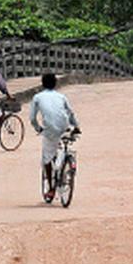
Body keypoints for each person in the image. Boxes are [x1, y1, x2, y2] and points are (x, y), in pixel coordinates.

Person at [29, 73, 80, 202]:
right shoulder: (61, 96)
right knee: (63, 142)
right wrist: (76, 126)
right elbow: (70, 113)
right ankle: (64, 165)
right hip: (65, 126)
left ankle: (51, 188)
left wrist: (38, 128)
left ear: (42, 83)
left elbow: (32, 118)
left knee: (47, 158)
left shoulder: (37, 97)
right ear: (55, 84)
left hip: (50, 130)